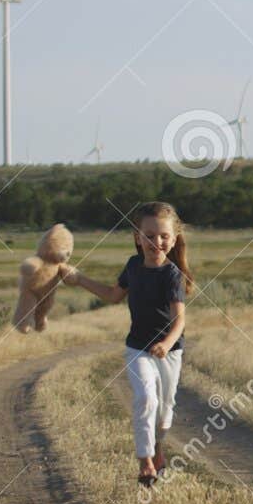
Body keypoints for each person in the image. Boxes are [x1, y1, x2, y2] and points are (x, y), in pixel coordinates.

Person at [62, 201, 194, 487]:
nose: (155, 242)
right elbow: (112, 295)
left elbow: (180, 320)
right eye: (148, 235)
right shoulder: (133, 266)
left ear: (173, 239)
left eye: (163, 236)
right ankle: (145, 461)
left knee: (164, 412)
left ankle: (158, 449)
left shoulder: (172, 275)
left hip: (169, 352)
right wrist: (79, 279)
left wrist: (167, 343)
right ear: (137, 237)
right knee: (146, 398)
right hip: (138, 348)